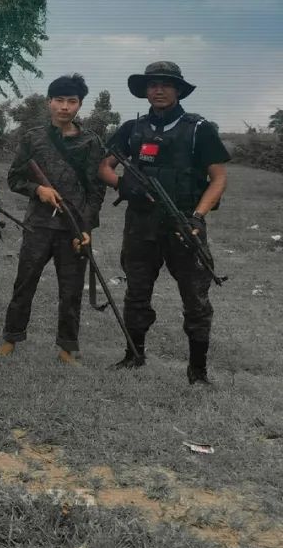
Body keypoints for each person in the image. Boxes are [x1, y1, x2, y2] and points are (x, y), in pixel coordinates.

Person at [98, 62, 229, 385]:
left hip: (184, 223)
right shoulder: (132, 129)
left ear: (178, 90)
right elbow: (103, 165)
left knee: (195, 299)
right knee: (136, 292)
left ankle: (197, 371)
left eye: (166, 84)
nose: (158, 90)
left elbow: (218, 179)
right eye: (153, 84)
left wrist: (197, 216)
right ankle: (134, 356)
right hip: (141, 225)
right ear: (145, 90)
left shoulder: (198, 129)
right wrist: (122, 185)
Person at [0, 74, 106, 364]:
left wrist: (86, 229)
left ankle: (67, 348)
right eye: (59, 100)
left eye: (72, 102)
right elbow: (14, 178)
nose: (65, 107)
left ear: (80, 106)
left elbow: (96, 191)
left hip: (73, 227)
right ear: (49, 102)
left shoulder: (91, 142)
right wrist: (38, 189)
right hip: (39, 225)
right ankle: (11, 338)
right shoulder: (33, 137)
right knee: (24, 283)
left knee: (71, 290)